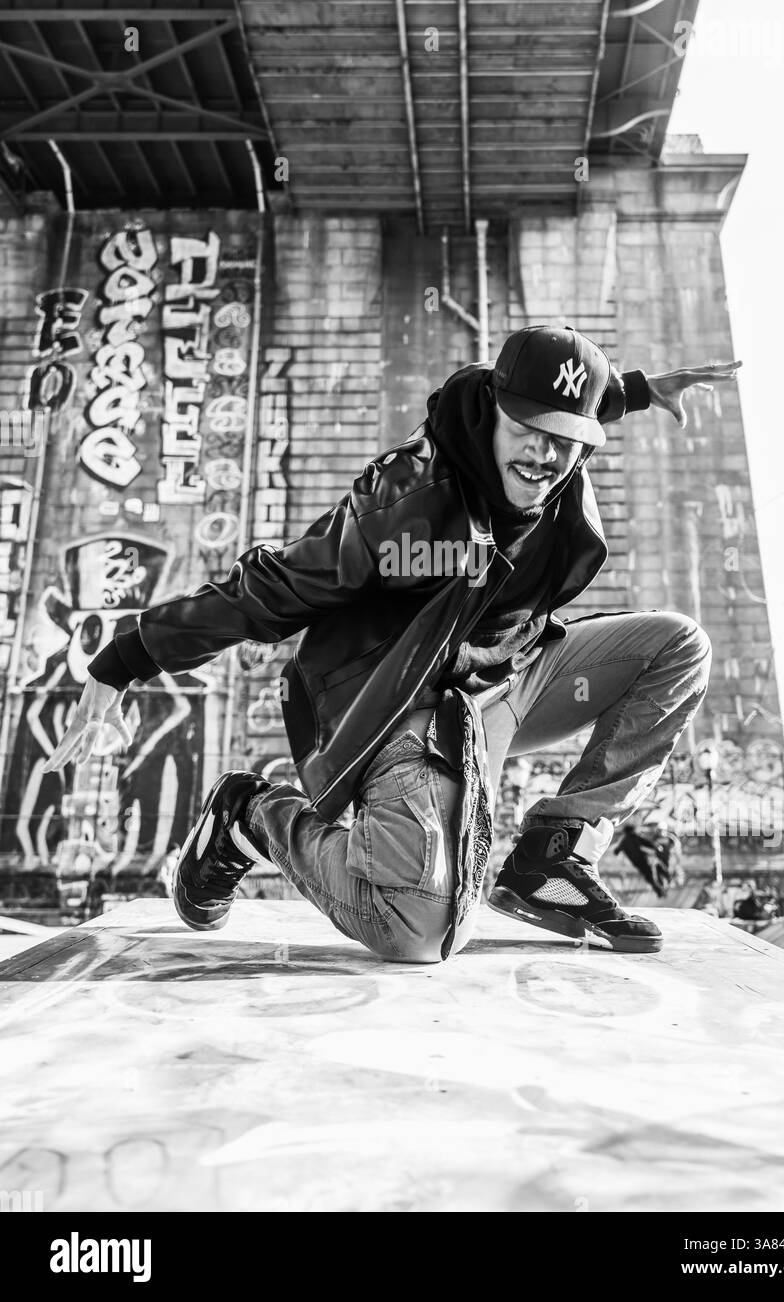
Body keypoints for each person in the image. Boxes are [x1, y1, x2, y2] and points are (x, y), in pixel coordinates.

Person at [45, 326, 737, 964]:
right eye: (526, 428)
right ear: (493, 406)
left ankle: (552, 858)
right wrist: (126, 658)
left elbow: (586, 400)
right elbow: (276, 586)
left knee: (678, 648)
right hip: (405, 701)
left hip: (511, 684)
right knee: (416, 929)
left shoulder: (562, 453)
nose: (543, 454)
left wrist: (641, 391)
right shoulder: (409, 500)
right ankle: (251, 813)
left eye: (565, 438)